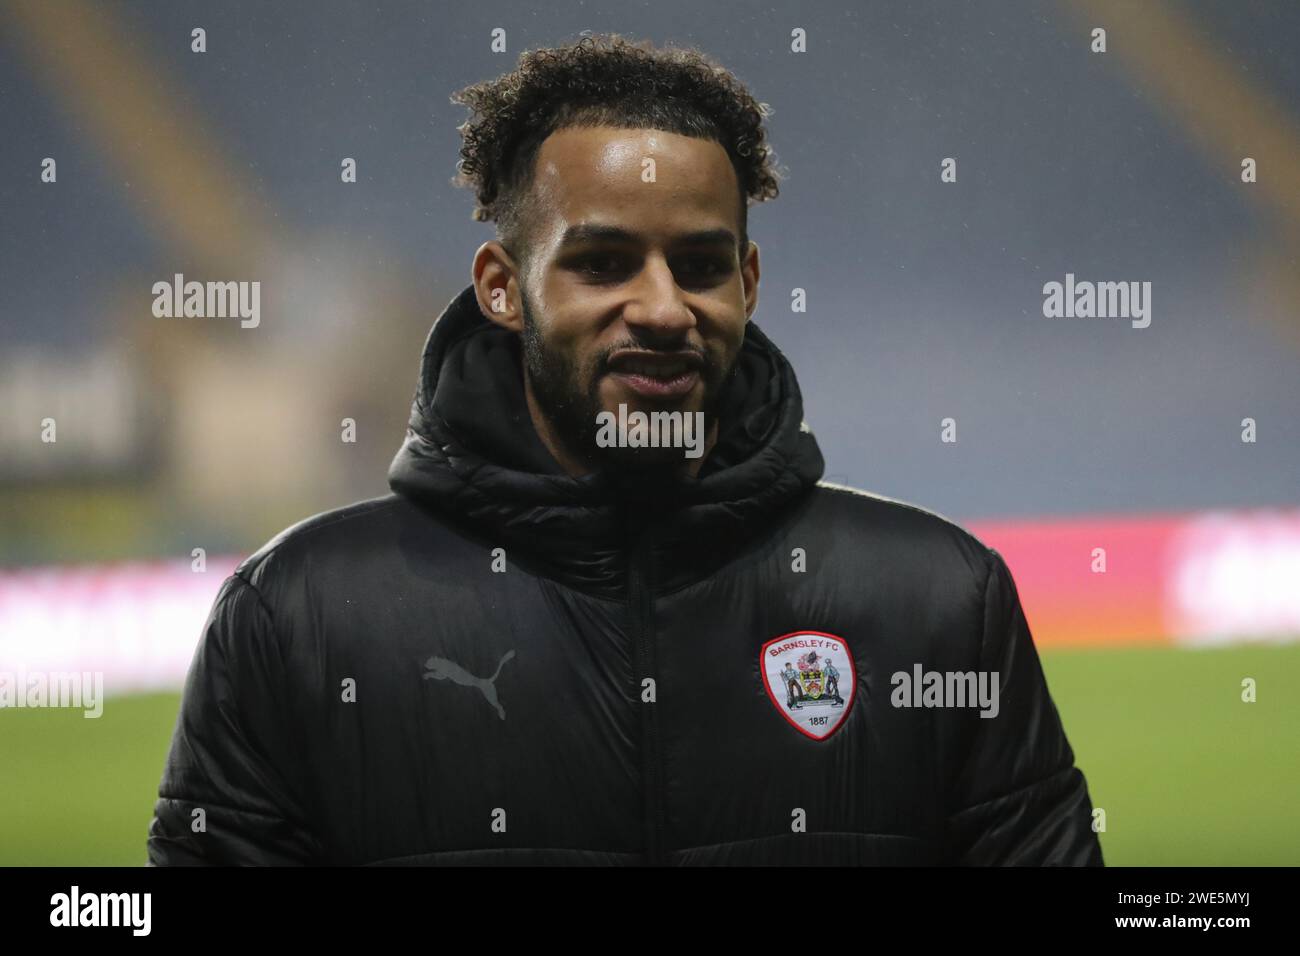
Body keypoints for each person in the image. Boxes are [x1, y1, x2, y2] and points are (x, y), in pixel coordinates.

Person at [147, 33, 1102, 866]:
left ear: (751, 281)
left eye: (699, 265)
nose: (660, 308)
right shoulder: (299, 617)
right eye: (602, 263)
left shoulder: (940, 599)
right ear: (502, 287)